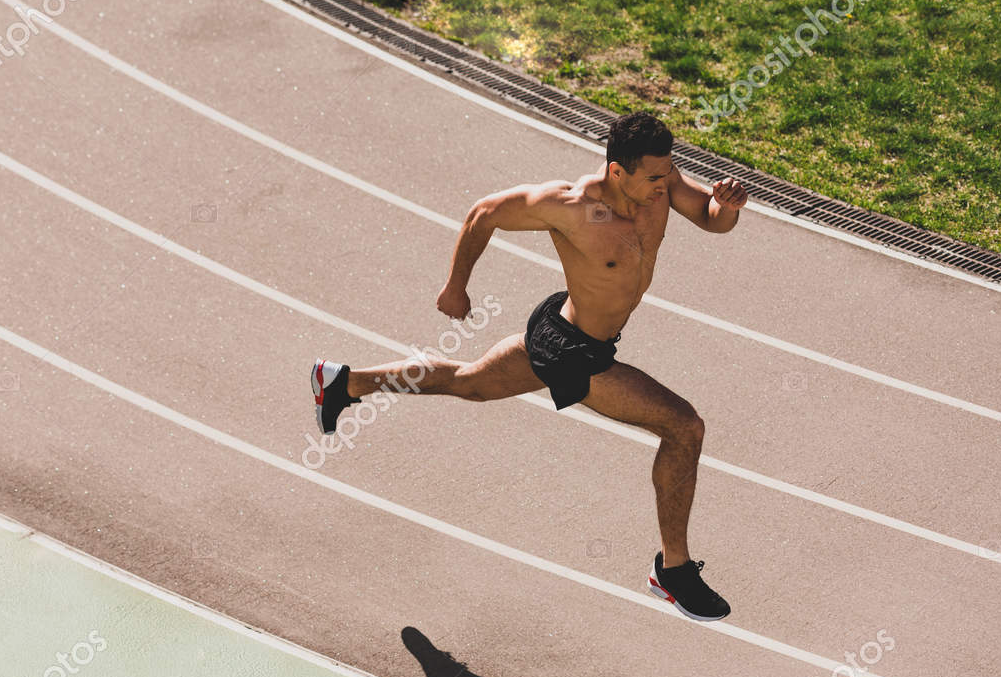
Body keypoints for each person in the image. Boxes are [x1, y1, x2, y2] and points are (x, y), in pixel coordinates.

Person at [311, 111, 748, 620]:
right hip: (571, 351)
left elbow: (714, 220)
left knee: (471, 383)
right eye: (653, 177)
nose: (662, 186)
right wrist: (456, 285)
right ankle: (672, 571)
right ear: (617, 173)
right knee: (683, 427)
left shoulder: (662, 181)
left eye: (667, 173)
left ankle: (345, 382)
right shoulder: (571, 207)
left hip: (565, 329)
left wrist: (728, 204)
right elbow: (485, 212)